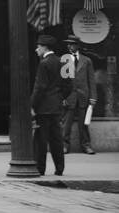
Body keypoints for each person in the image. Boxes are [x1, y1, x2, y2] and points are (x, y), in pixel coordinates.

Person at [31, 34, 65, 177]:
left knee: (41, 140)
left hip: (43, 107)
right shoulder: (60, 61)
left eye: (38, 46)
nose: (36, 49)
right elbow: (67, 84)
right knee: (56, 138)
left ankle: (40, 168)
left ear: (44, 47)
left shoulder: (43, 63)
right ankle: (59, 168)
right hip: (56, 106)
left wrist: (32, 105)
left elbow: (40, 87)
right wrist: (60, 98)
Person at [61, 35, 96, 155]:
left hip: (83, 96)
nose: (69, 46)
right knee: (66, 123)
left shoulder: (87, 61)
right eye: (68, 44)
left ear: (77, 45)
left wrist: (93, 97)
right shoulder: (64, 59)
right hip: (69, 96)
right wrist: (62, 97)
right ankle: (64, 146)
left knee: (84, 123)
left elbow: (91, 80)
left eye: (71, 44)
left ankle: (86, 145)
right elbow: (61, 82)